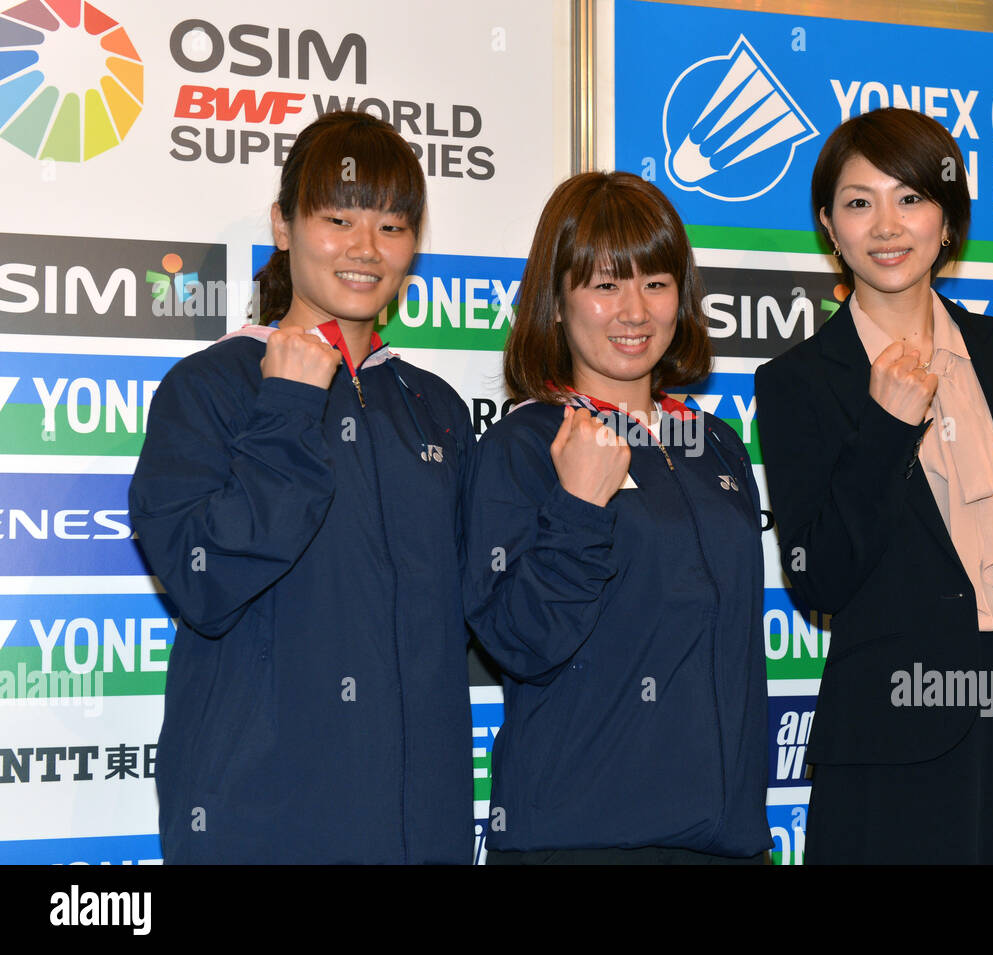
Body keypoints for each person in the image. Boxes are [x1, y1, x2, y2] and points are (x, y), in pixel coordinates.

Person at [754, 109, 993, 864]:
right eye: (859, 202)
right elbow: (817, 573)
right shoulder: (796, 382)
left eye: (911, 198)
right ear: (829, 224)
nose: (886, 225)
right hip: (897, 730)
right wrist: (885, 427)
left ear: (948, 219)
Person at [129, 111, 474, 864]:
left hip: (423, 828)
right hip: (262, 825)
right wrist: (287, 408)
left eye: (392, 225)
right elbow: (205, 583)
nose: (365, 248)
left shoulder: (436, 407)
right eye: (339, 218)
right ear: (284, 225)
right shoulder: (211, 387)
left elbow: (478, 605)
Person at [462, 171, 770, 864]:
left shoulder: (713, 442)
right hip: (581, 841)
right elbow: (515, 640)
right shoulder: (522, 445)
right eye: (605, 285)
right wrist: (576, 507)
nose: (635, 310)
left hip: (726, 843)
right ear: (557, 300)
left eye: (656, 282)